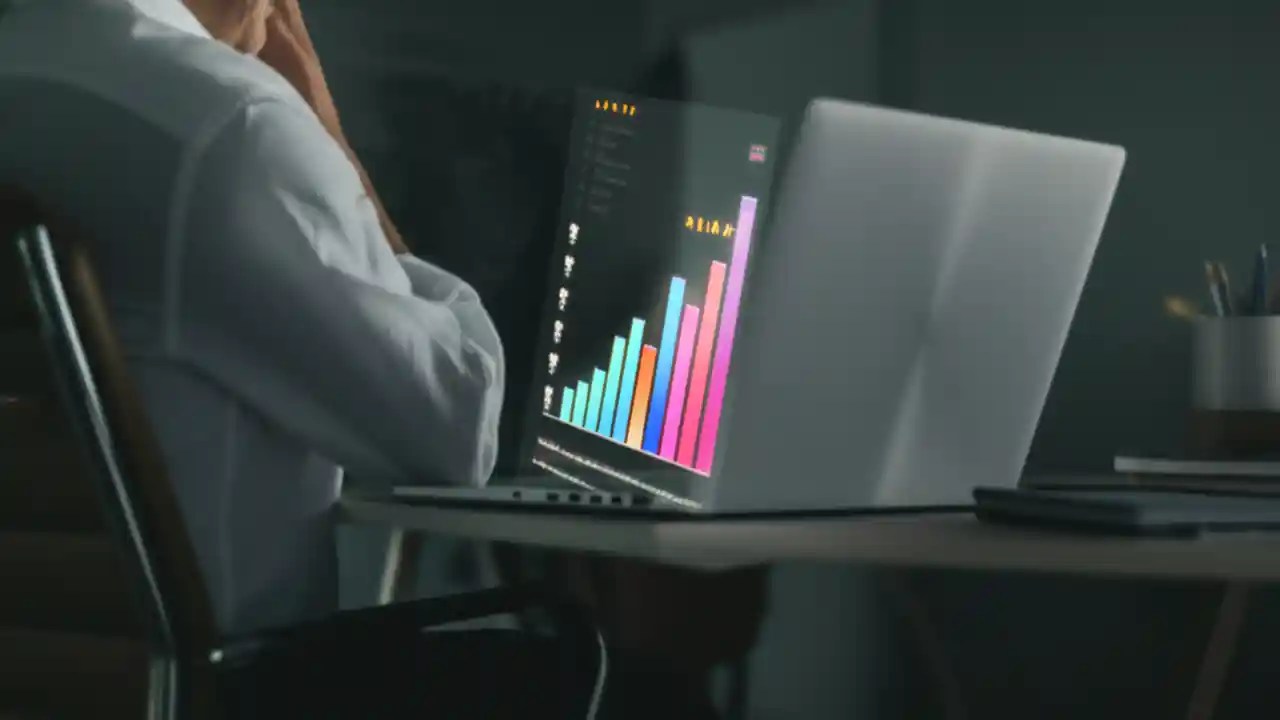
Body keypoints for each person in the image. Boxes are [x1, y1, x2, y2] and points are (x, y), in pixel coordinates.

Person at [0, 0, 603, 716]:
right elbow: (452, 432)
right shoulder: (229, 122)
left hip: (43, 687)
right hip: (229, 692)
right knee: (578, 664)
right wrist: (329, 138)